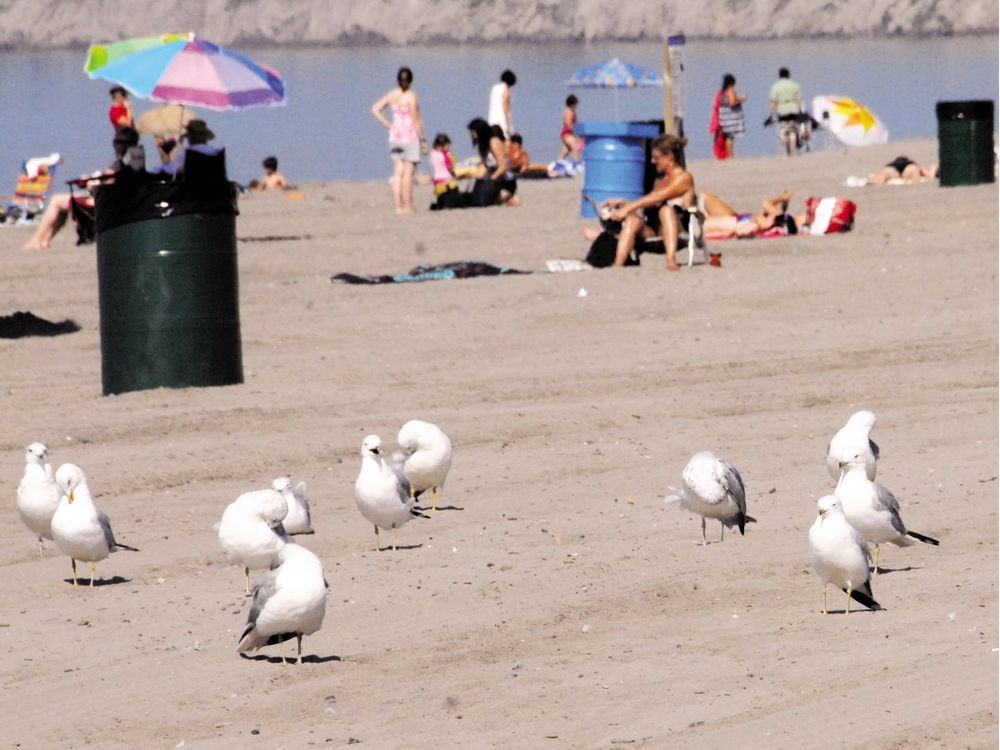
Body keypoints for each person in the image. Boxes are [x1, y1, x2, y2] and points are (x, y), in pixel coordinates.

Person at [22, 127, 141, 250]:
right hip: (116, 201)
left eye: (120, 143)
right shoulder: (134, 159)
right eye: (115, 142)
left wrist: (90, 184)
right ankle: (44, 240)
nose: (117, 146)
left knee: (56, 200)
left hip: (106, 203)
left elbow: (106, 187)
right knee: (61, 203)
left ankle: (37, 240)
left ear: (129, 144)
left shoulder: (122, 164)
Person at [604, 134, 695, 271]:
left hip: (679, 226)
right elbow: (649, 202)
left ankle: (671, 261)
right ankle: (618, 265)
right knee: (632, 221)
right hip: (655, 230)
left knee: (666, 211)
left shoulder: (684, 178)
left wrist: (628, 208)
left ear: (669, 156)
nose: (652, 161)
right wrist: (623, 203)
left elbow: (659, 197)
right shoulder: (660, 181)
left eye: (656, 158)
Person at [371, 66, 427, 214]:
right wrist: (422, 139)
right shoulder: (411, 96)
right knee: (408, 172)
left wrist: (388, 124)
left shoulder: (391, 95)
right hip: (409, 136)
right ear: (410, 81)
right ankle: (408, 205)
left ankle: (398, 207)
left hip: (395, 136)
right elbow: (415, 119)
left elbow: (375, 109)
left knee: (398, 172)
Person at [700, 189, 801, 238]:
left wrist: (782, 197)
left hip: (736, 219)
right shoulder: (779, 221)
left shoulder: (778, 215)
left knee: (704, 196)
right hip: (738, 220)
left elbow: (766, 204)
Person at [467, 118, 520, 207]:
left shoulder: (493, 142)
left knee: (491, 195)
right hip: (494, 177)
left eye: (473, 132)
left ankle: (509, 197)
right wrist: (477, 176)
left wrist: (491, 179)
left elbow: (502, 167)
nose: (472, 135)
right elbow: (485, 165)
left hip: (505, 180)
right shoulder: (482, 146)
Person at [156, 119, 222, 176]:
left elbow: (171, 170)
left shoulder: (187, 153)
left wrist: (161, 164)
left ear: (189, 137)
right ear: (206, 138)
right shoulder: (216, 152)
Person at [768, 68, 805, 156]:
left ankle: (786, 150)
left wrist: (771, 114)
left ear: (779, 75)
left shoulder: (775, 86)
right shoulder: (795, 85)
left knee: (783, 130)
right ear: (789, 75)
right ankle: (793, 148)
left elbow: (773, 102)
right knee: (793, 129)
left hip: (782, 111)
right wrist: (800, 110)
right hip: (794, 110)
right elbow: (800, 100)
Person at [711, 74, 746, 160]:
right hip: (729, 119)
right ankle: (730, 156)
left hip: (723, 118)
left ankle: (728, 155)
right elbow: (732, 102)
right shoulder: (730, 90)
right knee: (730, 137)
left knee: (726, 137)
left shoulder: (721, 92)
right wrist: (742, 99)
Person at [865, 156, 938, 185]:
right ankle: (916, 184)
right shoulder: (915, 166)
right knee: (915, 171)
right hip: (909, 165)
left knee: (885, 173)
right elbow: (928, 175)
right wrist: (933, 168)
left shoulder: (892, 165)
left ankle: (876, 183)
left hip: (894, 165)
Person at [487, 69, 516, 139]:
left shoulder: (494, 88)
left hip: (492, 120)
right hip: (502, 121)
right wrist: (508, 125)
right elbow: (505, 107)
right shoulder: (506, 90)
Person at [559, 95, 582, 162]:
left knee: (566, 150)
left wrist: (580, 132)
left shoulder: (573, 111)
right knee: (575, 147)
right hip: (567, 134)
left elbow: (575, 123)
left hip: (571, 134)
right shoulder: (568, 112)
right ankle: (576, 162)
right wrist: (577, 131)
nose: (577, 106)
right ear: (572, 104)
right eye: (576, 104)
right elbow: (568, 125)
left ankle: (559, 161)